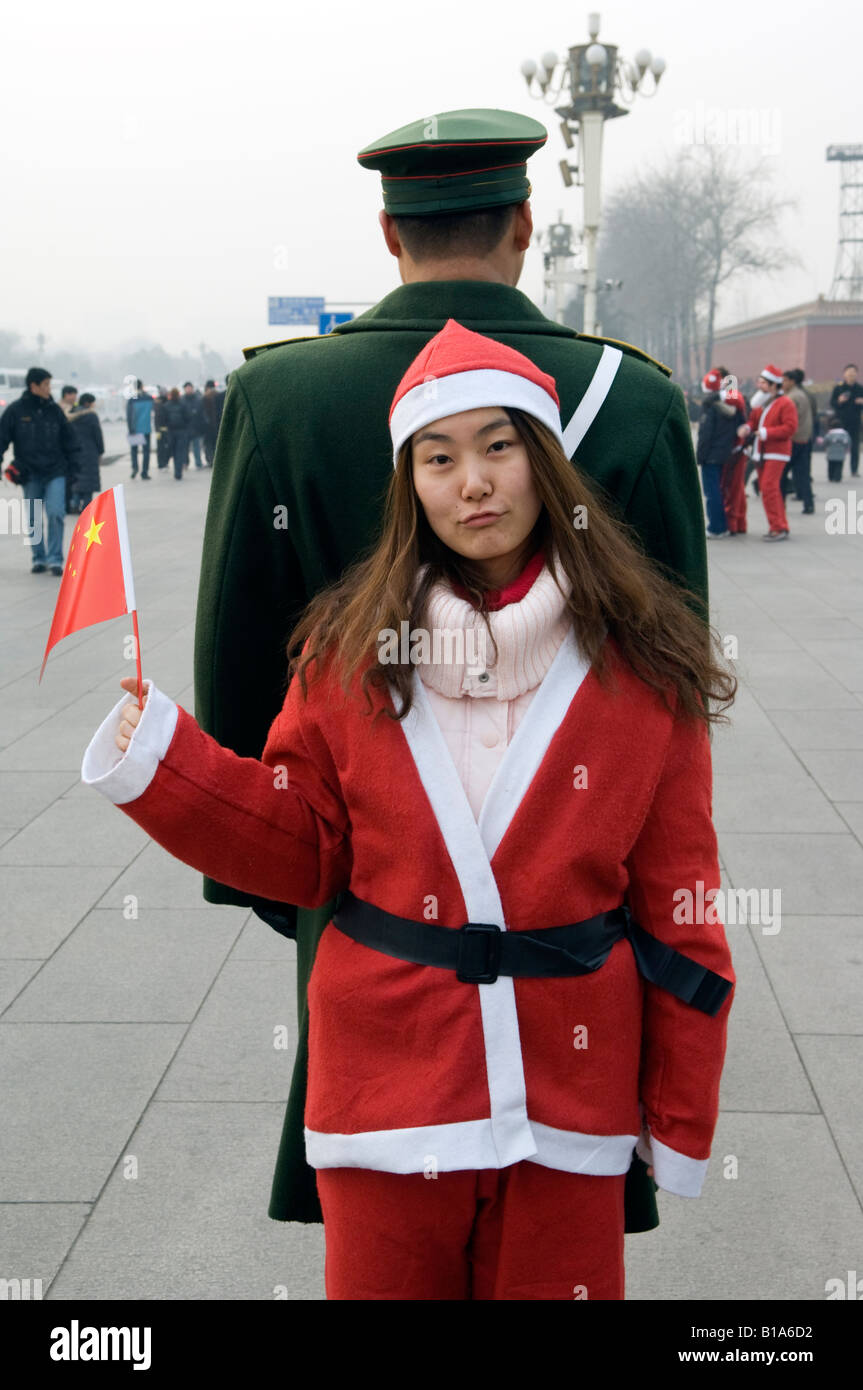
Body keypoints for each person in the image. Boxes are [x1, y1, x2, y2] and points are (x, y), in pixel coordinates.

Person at [82, 320, 736, 1301]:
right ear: (411, 485)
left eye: (497, 446)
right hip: (384, 1098)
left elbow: (681, 904)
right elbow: (300, 845)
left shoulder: (644, 669)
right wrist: (162, 760)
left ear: (543, 461)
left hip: (568, 1097)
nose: (471, 481)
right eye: (439, 457)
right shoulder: (346, 653)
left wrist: (678, 1114)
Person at [193, 108, 715, 1239]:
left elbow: (237, 681)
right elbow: (674, 670)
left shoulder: (278, 397)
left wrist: (299, 882)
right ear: (526, 223)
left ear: (389, 235)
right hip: (572, 923)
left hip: (350, 887)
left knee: (380, 1201)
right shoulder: (632, 398)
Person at [0, 366, 80, 574]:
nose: (48, 389)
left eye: (49, 385)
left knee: (56, 512)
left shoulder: (54, 410)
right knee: (34, 518)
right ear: (33, 386)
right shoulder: (15, 411)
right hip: (30, 473)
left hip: (56, 471)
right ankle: (39, 557)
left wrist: (75, 466)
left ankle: (55, 559)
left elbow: (70, 440)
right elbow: (2, 438)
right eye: (45, 385)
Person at [737, 364, 797, 540]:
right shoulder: (761, 404)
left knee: (769, 488)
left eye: (763, 383)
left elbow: (790, 428)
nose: (759, 385)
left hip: (776, 452)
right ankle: (780, 526)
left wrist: (765, 433)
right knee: (769, 489)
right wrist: (747, 428)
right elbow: (753, 422)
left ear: (773, 385)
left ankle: (778, 527)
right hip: (762, 451)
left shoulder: (785, 403)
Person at [695, 367, 736, 537]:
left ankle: (717, 527)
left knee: (711, 493)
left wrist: (700, 456)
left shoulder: (711, 408)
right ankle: (721, 525)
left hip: (711, 455)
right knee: (717, 491)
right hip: (722, 452)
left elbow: (705, 435)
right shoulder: (726, 406)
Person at [781, 369, 814, 514]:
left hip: (793, 440)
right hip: (804, 439)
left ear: (791, 381)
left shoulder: (792, 397)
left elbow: (788, 421)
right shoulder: (803, 394)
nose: (782, 383)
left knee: (781, 474)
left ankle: (780, 504)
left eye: (784, 380)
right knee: (803, 474)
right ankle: (808, 504)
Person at [68, 393, 104, 512]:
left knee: (77, 479)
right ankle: (87, 507)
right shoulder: (91, 416)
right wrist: (100, 450)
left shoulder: (71, 415)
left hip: (74, 451)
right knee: (88, 481)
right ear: (88, 403)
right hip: (90, 451)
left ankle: (74, 503)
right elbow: (97, 435)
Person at [829, 365, 863, 477]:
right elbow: (832, 403)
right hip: (840, 422)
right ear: (844, 374)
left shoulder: (860, 388)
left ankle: (854, 470)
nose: (851, 375)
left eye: (853, 373)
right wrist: (839, 401)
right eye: (849, 372)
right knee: (839, 447)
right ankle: (838, 470)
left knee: (854, 447)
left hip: (855, 422)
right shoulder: (838, 388)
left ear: (857, 374)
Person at [127, 379, 154, 480]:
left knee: (134, 451)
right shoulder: (148, 398)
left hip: (134, 429)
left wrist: (130, 428)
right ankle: (144, 472)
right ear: (142, 386)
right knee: (146, 451)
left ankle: (135, 467)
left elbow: (129, 416)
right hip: (146, 428)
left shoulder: (132, 400)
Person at [163, 387, 187, 479]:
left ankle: (176, 471)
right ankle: (178, 472)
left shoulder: (166, 405)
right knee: (179, 451)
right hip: (181, 430)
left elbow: (164, 419)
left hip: (171, 431)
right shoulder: (183, 405)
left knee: (173, 451)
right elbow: (188, 417)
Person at [181, 382, 206, 468]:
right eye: (187, 388)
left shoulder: (198, 399)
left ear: (192, 388)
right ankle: (185, 463)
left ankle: (198, 463)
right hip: (185, 427)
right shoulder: (182, 399)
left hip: (196, 426)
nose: (188, 389)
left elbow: (201, 413)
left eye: (189, 388)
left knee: (197, 447)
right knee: (185, 447)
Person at [823, 415, 851, 483]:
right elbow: (848, 441)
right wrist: (847, 448)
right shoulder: (845, 434)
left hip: (831, 452)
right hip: (841, 453)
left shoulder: (830, 434)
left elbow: (825, 441)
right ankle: (838, 477)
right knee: (839, 465)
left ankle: (831, 476)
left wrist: (825, 447)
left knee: (831, 465)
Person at [201, 379, 223, 466]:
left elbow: (202, 412)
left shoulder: (204, 397)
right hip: (217, 424)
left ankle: (210, 460)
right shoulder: (219, 395)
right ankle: (217, 460)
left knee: (208, 444)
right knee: (216, 443)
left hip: (207, 425)